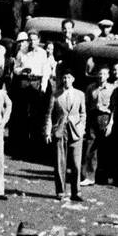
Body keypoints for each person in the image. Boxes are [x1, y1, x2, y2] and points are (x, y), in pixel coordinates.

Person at [46, 67, 86, 202]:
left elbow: (83, 113)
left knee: (76, 164)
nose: (66, 80)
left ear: (73, 79)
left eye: (69, 77)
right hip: (60, 130)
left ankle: (76, 192)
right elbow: (49, 115)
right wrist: (48, 131)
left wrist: (81, 128)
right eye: (64, 77)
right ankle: (60, 191)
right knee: (59, 163)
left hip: (75, 131)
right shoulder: (55, 95)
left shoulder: (80, 94)